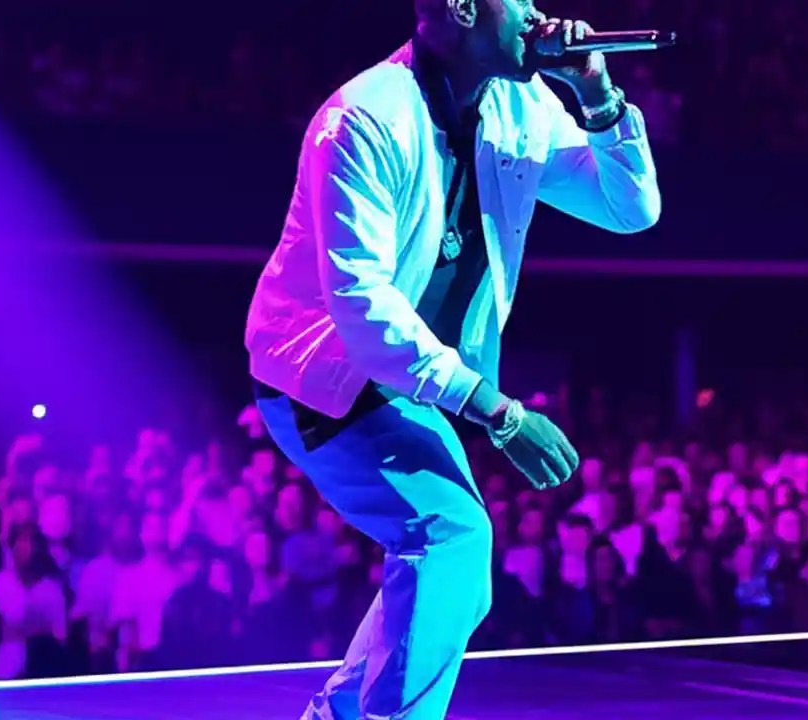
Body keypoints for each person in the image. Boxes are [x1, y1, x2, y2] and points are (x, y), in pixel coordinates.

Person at [244, 0, 659, 715]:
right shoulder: (365, 120)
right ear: (464, 8)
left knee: (457, 574)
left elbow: (631, 208)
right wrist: (498, 412)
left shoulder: (521, 105)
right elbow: (364, 309)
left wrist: (597, 94)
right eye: (522, 1)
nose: (540, 15)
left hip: (414, 380)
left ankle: (338, 713)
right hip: (325, 374)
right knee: (451, 538)